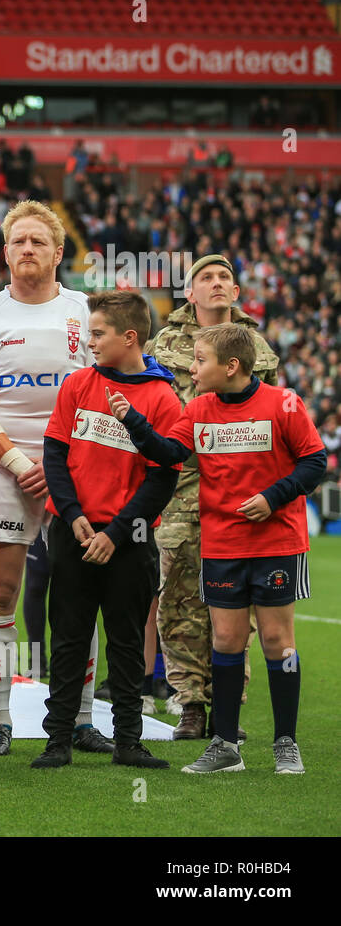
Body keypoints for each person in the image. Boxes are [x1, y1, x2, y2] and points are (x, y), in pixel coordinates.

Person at [108, 323, 325, 775]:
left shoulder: (284, 403)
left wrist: (274, 496)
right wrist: (133, 419)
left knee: (276, 640)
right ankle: (225, 745)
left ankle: (286, 743)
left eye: (201, 359)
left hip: (276, 543)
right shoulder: (200, 408)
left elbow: (315, 461)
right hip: (222, 543)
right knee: (226, 640)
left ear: (232, 366)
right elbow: (169, 453)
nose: (192, 366)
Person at [0, 200, 111, 757]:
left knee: (80, 594)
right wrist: (19, 462)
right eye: (18, 241)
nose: (27, 250)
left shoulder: (86, 311)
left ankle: (81, 718)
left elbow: (106, 390)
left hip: (75, 467)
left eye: (38, 242)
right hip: (3, 469)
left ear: (58, 252)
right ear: (5, 252)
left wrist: (62, 462)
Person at [32, 291, 181, 770]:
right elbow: (55, 454)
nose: (89, 341)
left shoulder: (161, 396)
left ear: (129, 337)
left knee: (124, 642)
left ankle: (128, 743)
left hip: (129, 538)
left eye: (98, 333)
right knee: (69, 638)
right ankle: (57, 741)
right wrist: (72, 513)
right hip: (73, 531)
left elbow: (163, 475)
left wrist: (115, 533)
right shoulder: (78, 384)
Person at [146, 255, 279, 740]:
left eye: (225, 277)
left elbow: (270, 418)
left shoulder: (258, 347)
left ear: (237, 292)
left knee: (233, 609)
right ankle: (190, 706)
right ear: (191, 294)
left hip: (240, 493)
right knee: (179, 602)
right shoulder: (163, 346)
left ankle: (227, 710)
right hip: (180, 492)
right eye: (207, 277)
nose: (217, 283)